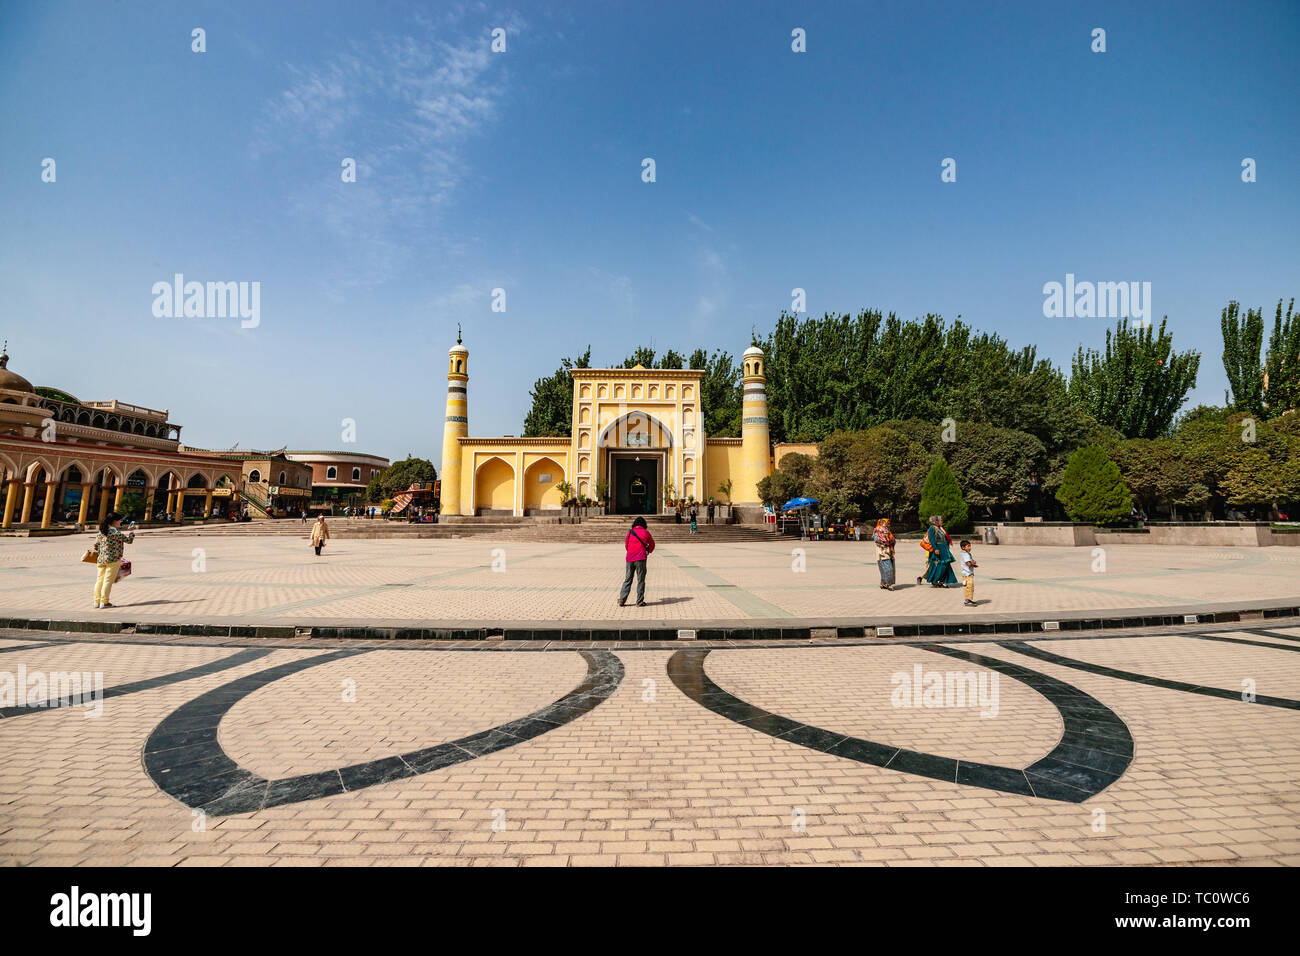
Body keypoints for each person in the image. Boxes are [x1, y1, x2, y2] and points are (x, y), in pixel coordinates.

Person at [92, 511, 135, 609]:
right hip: (113, 560)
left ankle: (96, 601)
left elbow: (96, 546)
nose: (121, 522)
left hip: (101, 559)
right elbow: (129, 541)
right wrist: (132, 531)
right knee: (108, 581)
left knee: (99, 580)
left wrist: (103, 551)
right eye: (120, 520)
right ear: (114, 521)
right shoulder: (115, 532)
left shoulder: (101, 531)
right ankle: (104, 602)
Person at [619, 516, 655, 607]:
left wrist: (631, 552)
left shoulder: (630, 532)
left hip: (630, 558)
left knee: (628, 579)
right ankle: (639, 602)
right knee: (640, 580)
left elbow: (626, 545)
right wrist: (648, 551)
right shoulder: (646, 532)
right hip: (641, 558)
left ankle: (622, 600)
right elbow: (652, 544)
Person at [919, 515, 959, 588]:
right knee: (938, 565)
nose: (942, 521)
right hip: (938, 550)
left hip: (944, 550)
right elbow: (932, 540)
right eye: (941, 520)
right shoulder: (932, 528)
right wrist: (935, 549)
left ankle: (941, 581)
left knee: (945, 565)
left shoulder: (940, 528)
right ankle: (935, 580)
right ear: (936, 521)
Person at [873, 518, 896, 590]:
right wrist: (884, 542)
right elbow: (876, 540)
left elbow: (893, 540)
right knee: (887, 568)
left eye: (888, 523)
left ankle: (883, 583)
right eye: (886, 523)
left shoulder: (887, 531)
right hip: (882, 552)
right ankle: (887, 584)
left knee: (888, 567)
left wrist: (890, 541)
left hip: (889, 551)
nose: (888, 524)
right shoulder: (877, 531)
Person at [959, 539, 978, 607]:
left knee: (968, 587)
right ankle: (967, 601)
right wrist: (973, 564)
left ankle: (968, 600)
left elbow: (970, 562)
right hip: (967, 574)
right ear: (963, 547)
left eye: (970, 546)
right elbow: (968, 564)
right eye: (968, 546)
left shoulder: (965, 554)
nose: (970, 548)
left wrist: (973, 562)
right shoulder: (965, 554)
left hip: (965, 574)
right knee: (969, 587)